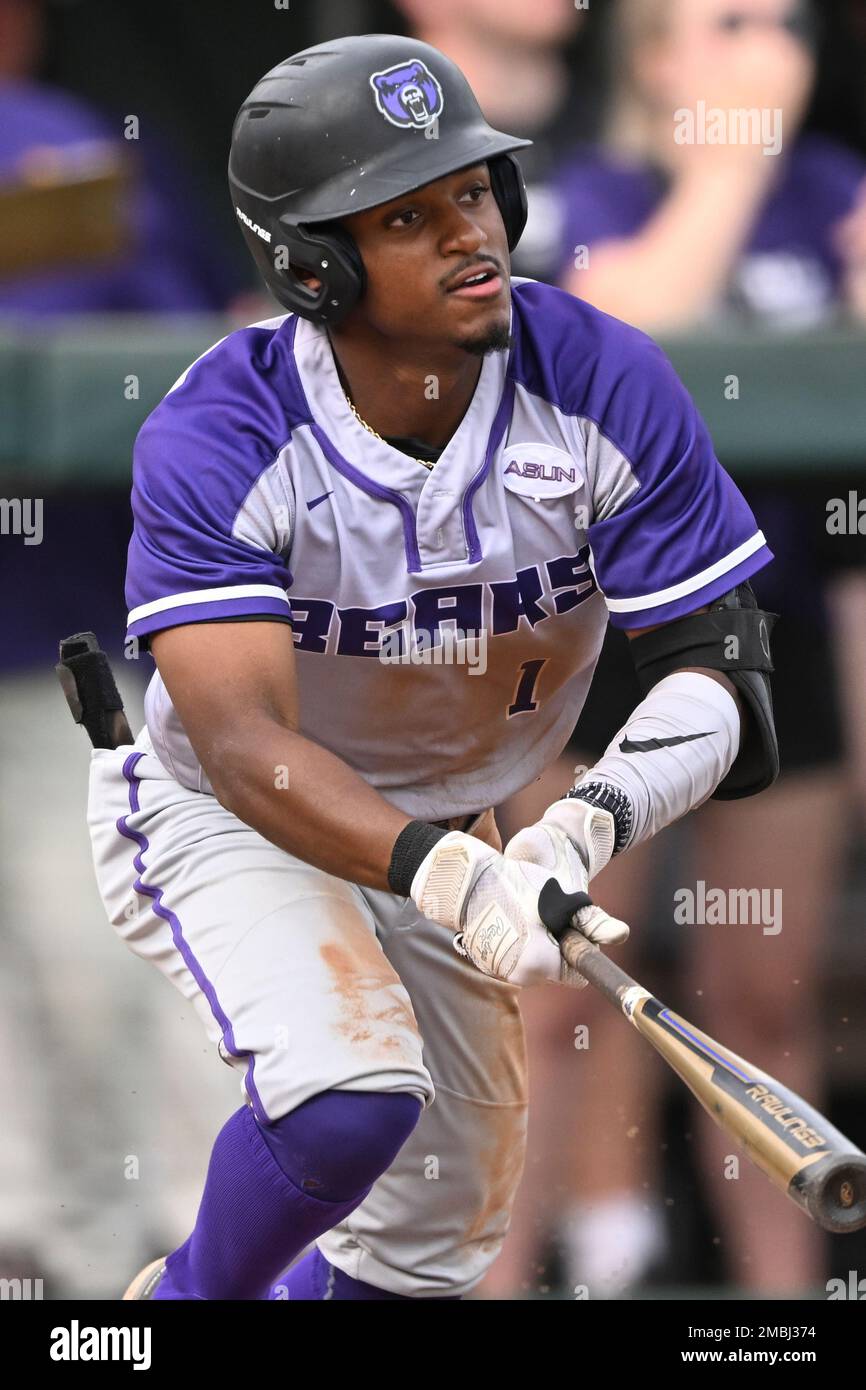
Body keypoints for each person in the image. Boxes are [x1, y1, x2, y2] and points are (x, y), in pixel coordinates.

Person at [85, 33, 778, 1301]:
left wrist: (579, 824)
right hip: (231, 814)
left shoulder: (597, 374)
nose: (468, 233)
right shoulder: (224, 427)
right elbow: (243, 745)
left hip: (450, 816)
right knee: (348, 1101)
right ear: (311, 263)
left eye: (473, 192)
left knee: (426, 1255)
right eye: (406, 215)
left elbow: (716, 668)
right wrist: (446, 869)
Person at [495, 0, 860, 1296]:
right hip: (604, 633)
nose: (765, 46)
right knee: (554, 984)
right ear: (653, 57)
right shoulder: (585, 185)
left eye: (778, 22)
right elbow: (625, 328)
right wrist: (729, 162)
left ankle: (782, 1309)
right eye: (723, 19)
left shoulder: (833, 190)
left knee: (763, 997)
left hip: (786, 631)